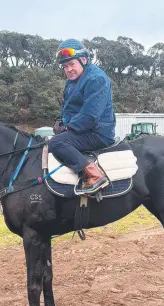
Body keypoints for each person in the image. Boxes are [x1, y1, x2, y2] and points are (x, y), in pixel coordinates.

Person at [48, 38, 116, 195]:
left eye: (72, 64)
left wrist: (67, 128)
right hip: (84, 130)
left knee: (56, 144)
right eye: (65, 66)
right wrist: (61, 122)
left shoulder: (96, 79)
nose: (68, 69)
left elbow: (90, 116)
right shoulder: (72, 81)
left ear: (83, 60)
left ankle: (94, 174)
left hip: (98, 132)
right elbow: (70, 109)